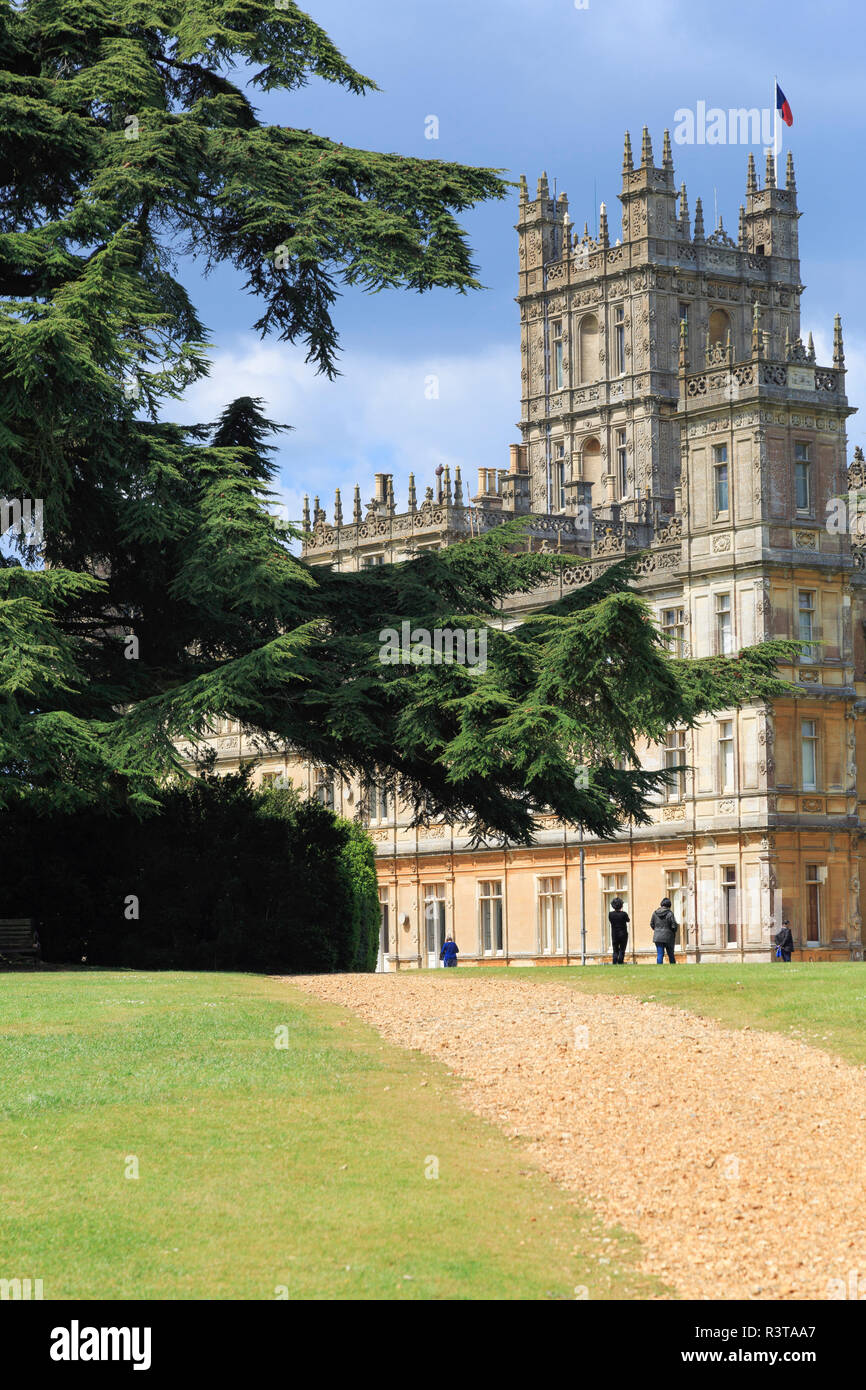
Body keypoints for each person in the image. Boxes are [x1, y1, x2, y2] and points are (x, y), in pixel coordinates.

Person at [651, 896, 679, 964]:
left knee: (660, 954)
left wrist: (657, 930)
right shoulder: (670, 913)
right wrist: (674, 931)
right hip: (668, 936)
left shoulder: (655, 913)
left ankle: (659, 968)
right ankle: (673, 968)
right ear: (669, 905)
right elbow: (674, 925)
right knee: (670, 954)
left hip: (657, 937)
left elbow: (651, 924)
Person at [608, 896, 630, 965]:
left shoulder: (610, 914)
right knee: (622, 949)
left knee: (615, 950)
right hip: (623, 934)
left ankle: (614, 962)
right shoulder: (624, 914)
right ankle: (620, 961)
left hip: (614, 934)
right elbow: (628, 920)